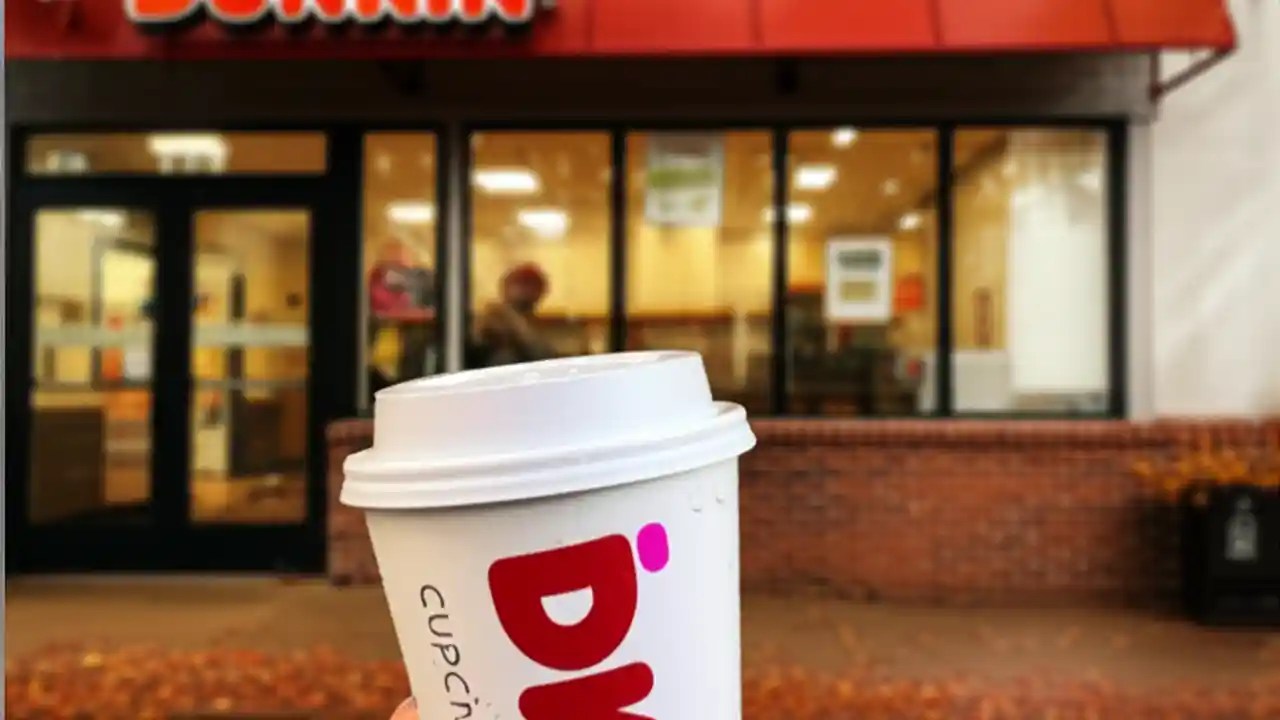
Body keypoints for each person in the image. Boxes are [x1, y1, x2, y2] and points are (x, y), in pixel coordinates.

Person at [367, 238, 437, 392]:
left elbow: (438, 312)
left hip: (413, 353)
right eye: (392, 262)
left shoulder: (424, 279)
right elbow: (370, 315)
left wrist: (411, 316)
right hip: (377, 353)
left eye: (401, 262)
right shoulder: (370, 283)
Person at [472, 262, 555, 367]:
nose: (527, 291)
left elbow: (545, 358)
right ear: (506, 287)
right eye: (522, 284)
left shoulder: (532, 325)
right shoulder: (492, 319)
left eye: (534, 286)